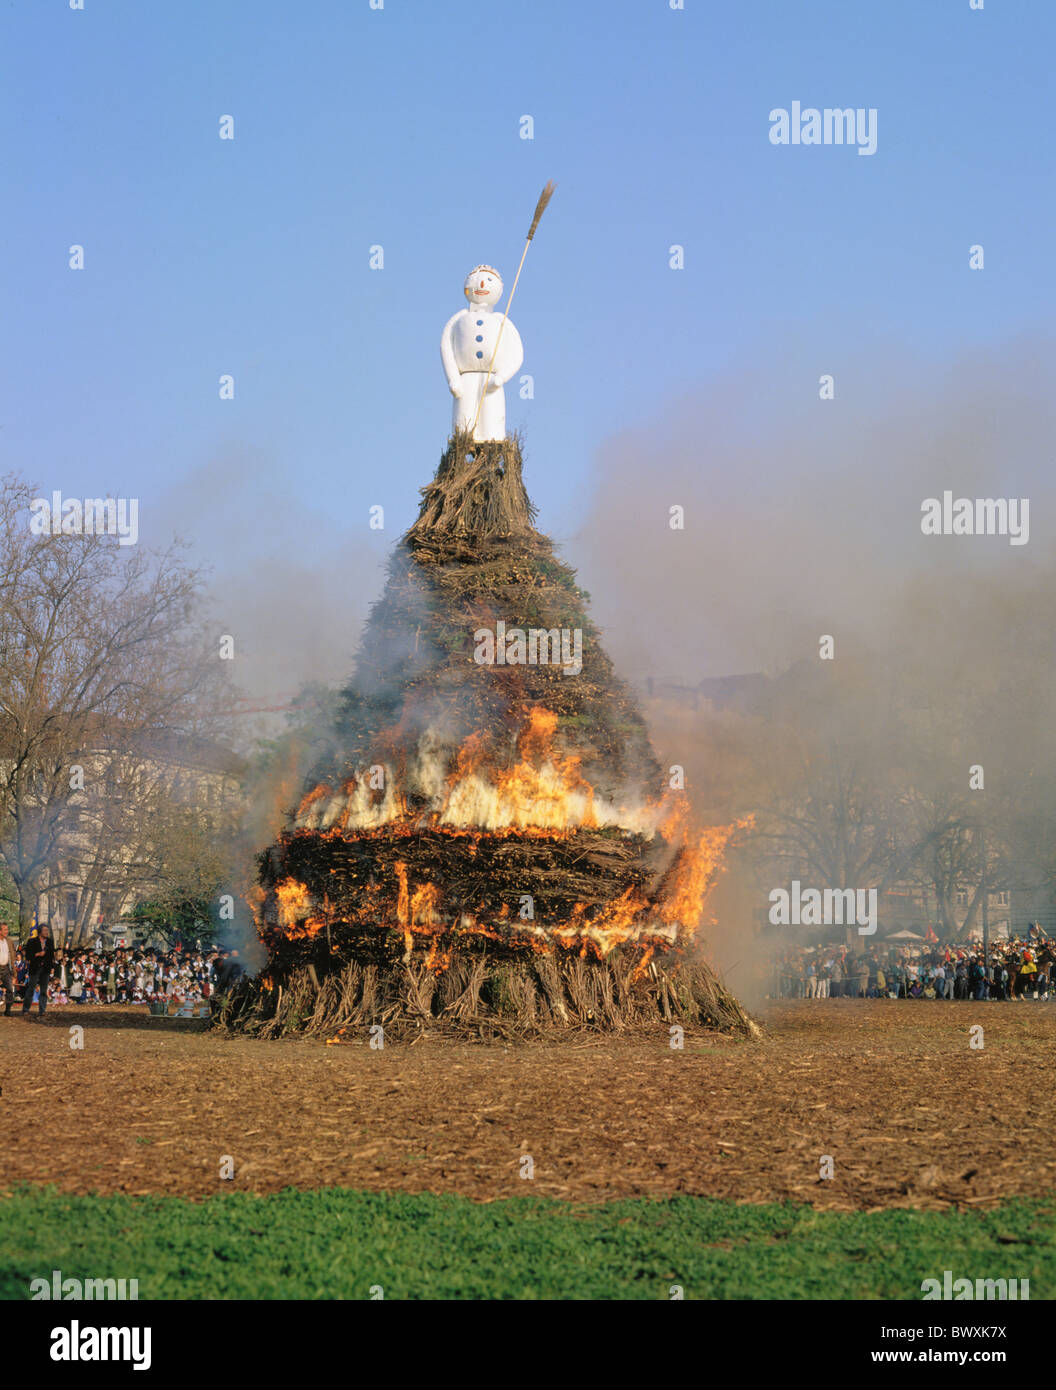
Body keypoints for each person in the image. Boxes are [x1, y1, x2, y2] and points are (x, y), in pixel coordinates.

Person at [21, 923, 55, 1019]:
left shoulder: (50, 942)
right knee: (31, 989)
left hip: (46, 969)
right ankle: (26, 1010)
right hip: (35, 968)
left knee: (44, 990)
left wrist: (51, 966)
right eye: (45, 931)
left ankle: (42, 1010)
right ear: (40, 931)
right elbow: (28, 956)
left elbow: (52, 955)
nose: (46, 932)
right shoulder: (32, 941)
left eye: (47, 931)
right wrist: (38, 954)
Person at [0, 922, 16, 1016]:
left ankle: (8, 1010)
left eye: (7, 929)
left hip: (6, 968)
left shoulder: (9, 941)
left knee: (10, 988)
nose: (7, 931)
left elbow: (13, 957)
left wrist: (14, 973)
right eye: (5, 929)